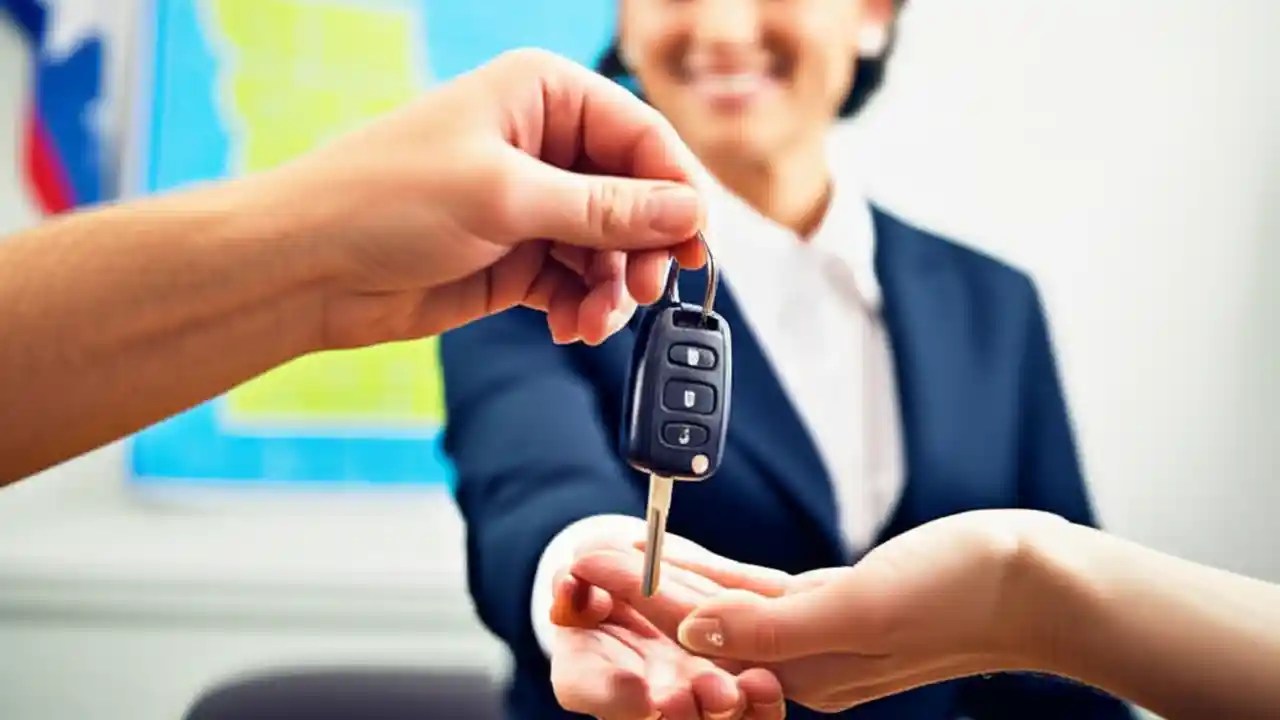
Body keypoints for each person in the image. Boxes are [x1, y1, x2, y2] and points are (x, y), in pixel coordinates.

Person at [440, 1, 1131, 718]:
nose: (724, 28)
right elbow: (533, 489)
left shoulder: (995, 305)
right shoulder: (532, 275)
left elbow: (1064, 628)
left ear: (873, 13)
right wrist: (593, 578)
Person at [0, 49, 711, 485]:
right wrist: (583, 563)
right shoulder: (521, 263)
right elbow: (532, 478)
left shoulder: (534, 257)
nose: (727, 25)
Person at [556, 508, 1280, 720]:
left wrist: (1025, 587)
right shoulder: (574, 274)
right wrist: (583, 560)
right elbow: (535, 483)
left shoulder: (990, 296)